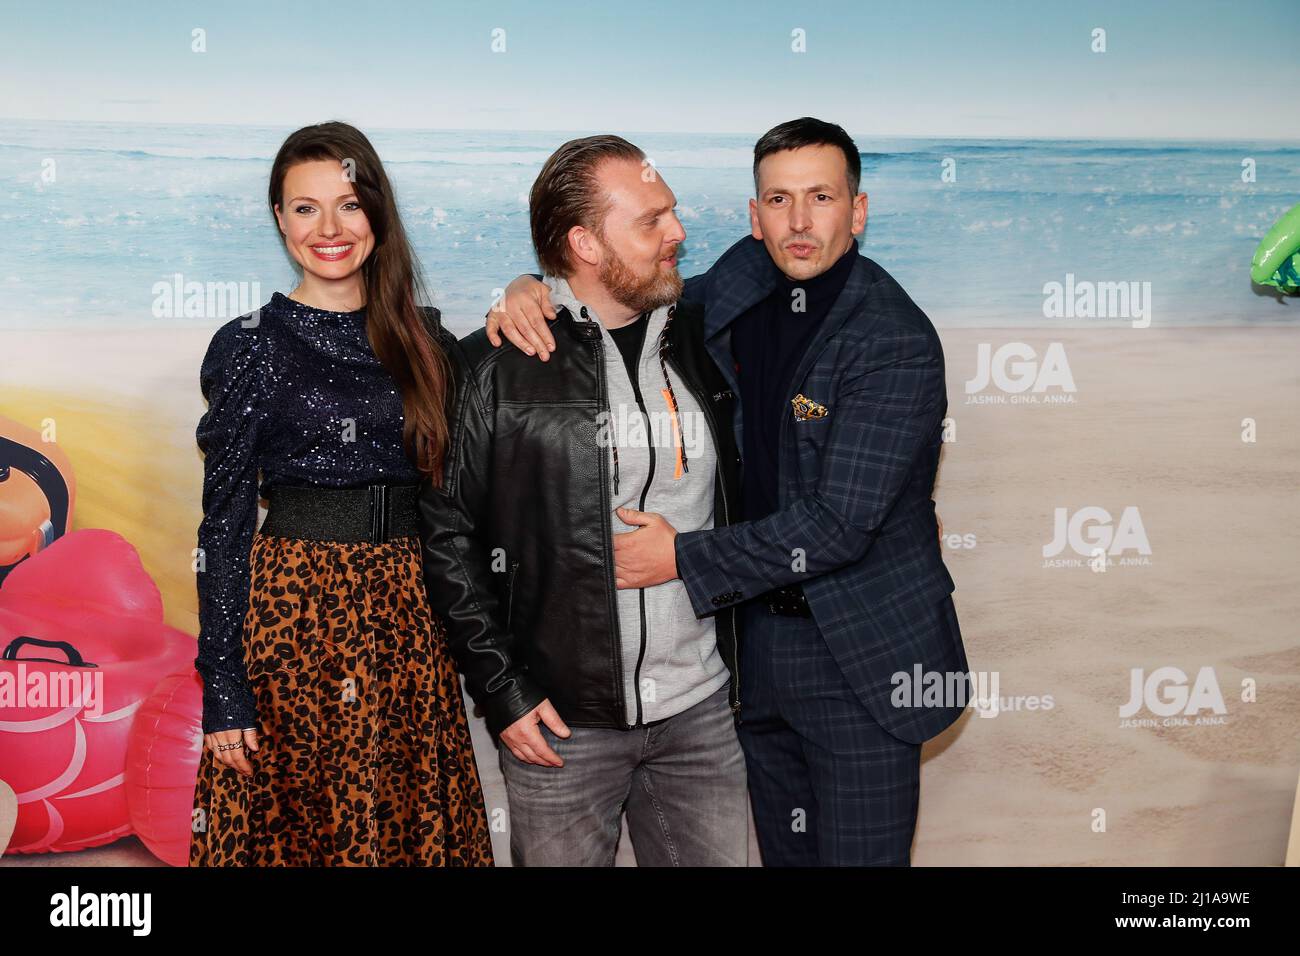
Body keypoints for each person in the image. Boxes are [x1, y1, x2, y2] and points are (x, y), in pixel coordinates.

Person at [489, 117, 969, 866]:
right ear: (754, 216)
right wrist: (531, 290)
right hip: (753, 653)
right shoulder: (740, 282)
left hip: (861, 657)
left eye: (821, 197)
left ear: (858, 211)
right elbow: (628, 290)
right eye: (779, 200)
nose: (799, 221)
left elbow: (840, 524)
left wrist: (681, 556)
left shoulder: (893, 338)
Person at [417, 135, 748, 866]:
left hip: (701, 713)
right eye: (651, 221)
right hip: (562, 727)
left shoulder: (706, 336)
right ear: (585, 244)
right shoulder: (490, 366)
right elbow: (447, 540)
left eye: (673, 212)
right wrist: (504, 692)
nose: (679, 232)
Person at [190, 121, 493, 866]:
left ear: (377, 214)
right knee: (300, 829)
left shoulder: (425, 342)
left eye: (349, 205)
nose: (329, 228)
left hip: (408, 612)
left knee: (403, 824)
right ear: (279, 219)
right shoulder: (251, 344)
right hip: (295, 615)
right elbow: (224, 525)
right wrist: (223, 686)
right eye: (305, 208)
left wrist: (524, 291)